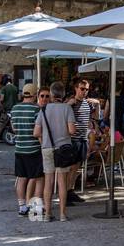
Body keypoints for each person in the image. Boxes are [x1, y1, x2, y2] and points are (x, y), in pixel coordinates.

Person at [35, 82, 77, 221]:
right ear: (63, 94)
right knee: (62, 182)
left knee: (48, 181)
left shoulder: (44, 109)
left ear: (52, 94)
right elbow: (72, 131)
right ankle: (62, 214)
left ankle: (47, 213)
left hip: (47, 148)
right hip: (63, 149)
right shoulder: (67, 109)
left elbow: (36, 132)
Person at [10, 84, 43, 216]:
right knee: (36, 178)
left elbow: (13, 128)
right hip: (33, 148)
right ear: (35, 94)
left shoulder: (14, 108)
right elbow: (38, 130)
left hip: (19, 148)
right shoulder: (36, 109)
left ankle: (22, 206)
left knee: (21, 178)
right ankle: (35, 207)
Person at [67, 78, 95, 204]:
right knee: (71, 167)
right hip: (73, 139)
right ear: (76, 88)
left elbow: (91, 119)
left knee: (77, 167)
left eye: (87, 89)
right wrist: (68, 104)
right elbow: (63, 115)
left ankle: (70, 190)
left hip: (83, 138)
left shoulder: (87, 103)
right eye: (82, 89)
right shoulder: (71, 102)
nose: (84, 91)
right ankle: (66, 192)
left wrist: (97, 105)